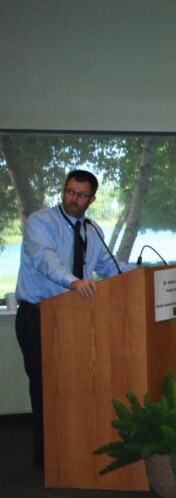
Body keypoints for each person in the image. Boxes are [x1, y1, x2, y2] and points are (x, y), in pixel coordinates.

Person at [15, 170, 131, 465]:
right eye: (69, 191)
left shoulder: (93, 231)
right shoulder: (40, 222)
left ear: (92, 199)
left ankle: (75, 447)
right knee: (46, 388)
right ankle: (48, 458)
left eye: (80, 195)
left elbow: (108, 266)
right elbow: (44, 259)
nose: (73, 199)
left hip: (75, 319)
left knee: (77, 384)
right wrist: (73, 281)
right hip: (38, 317)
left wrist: (144, 273)